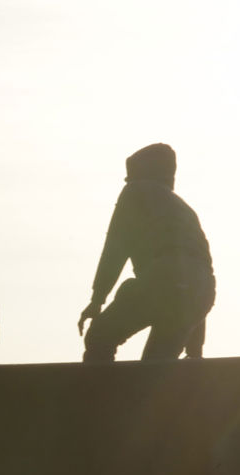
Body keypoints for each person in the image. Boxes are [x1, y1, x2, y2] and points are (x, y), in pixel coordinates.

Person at [78, 143, 214, 363]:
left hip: (163, 281)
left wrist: (97, 299)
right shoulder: (186, 211)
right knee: (155, 367)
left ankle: (99, 386)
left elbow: (115, 248)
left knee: (99, 337)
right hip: (201, 292)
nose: (126, 182)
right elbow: (196, 277)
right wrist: (194, 349)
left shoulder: (135, 191)